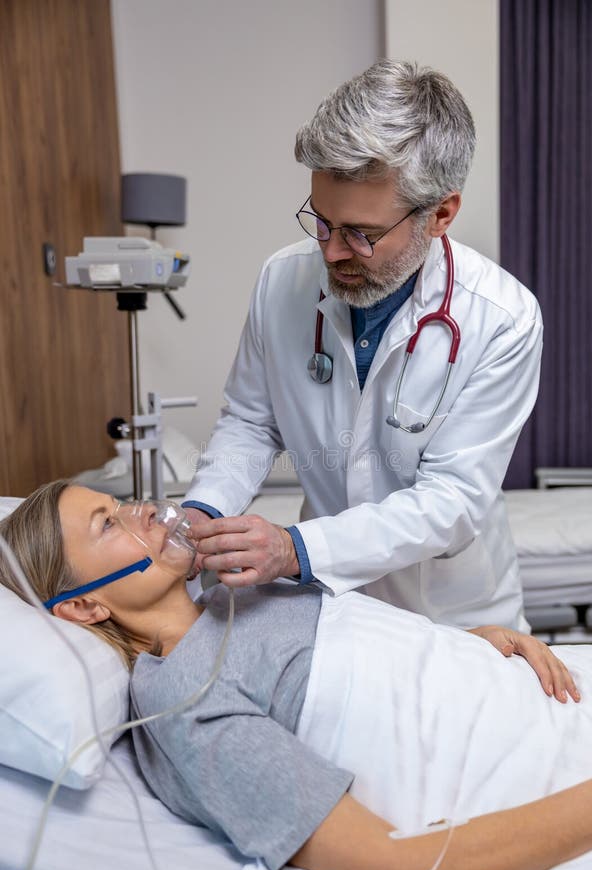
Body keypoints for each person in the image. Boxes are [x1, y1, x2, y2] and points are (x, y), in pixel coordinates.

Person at [3, 482, 592, 870]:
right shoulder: (186, 702)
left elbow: (366, 666)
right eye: (109, 524)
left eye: (120, 503)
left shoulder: (235, 596)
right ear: (83, 605)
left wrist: (470, 644)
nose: (145, 512)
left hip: (551, 697)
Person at [182, 59, 543, 632]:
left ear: (441, 214)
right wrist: (203, 510)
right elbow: (251, 423)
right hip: (331, 608)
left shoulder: (504, 319)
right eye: (321, 221)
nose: (329, 253)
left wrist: (296, 549)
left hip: (455, 615)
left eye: (361, 234)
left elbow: (452, 501)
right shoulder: (282, 281)